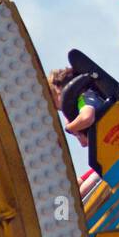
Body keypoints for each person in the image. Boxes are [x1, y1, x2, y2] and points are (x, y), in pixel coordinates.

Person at [47, 66, 104, 200]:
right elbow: (85, 142)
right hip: (104, 157)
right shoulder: (76, 110)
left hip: (117, 152)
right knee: (74, 186)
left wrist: (70, 128)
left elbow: (87, 117)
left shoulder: (84, 97)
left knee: (82, 192)